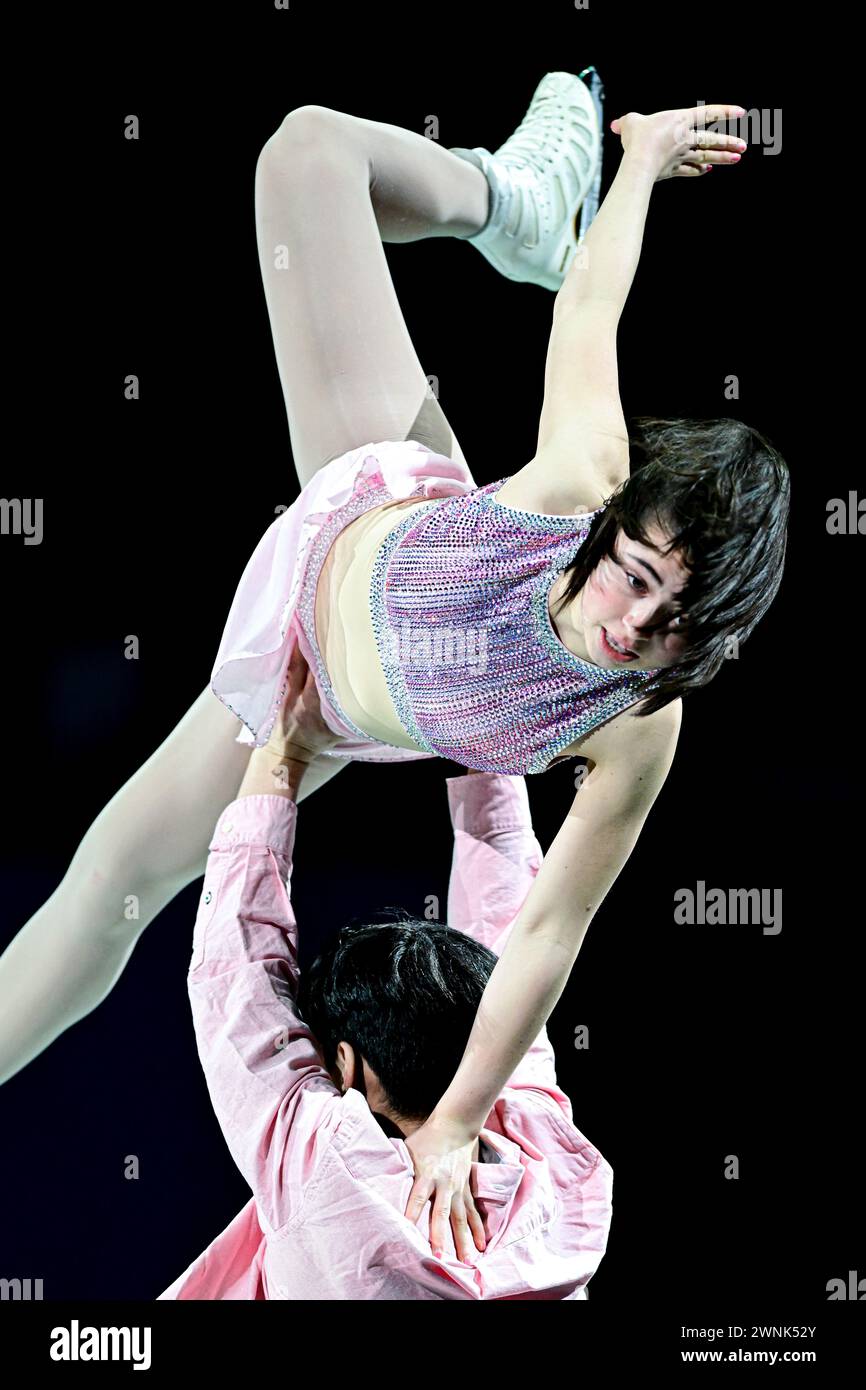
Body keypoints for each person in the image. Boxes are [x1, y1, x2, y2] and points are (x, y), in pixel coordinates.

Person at [0, 71, 787, 1244]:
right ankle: (512, 197)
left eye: (675, 623)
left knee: (111, 885)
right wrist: (633, 165)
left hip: (304, 694)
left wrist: (460, 1118)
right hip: (376, 493)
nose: (633, 626)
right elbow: (590, 307)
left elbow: (544, 934)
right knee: (306, 151)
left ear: (710, 642)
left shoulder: (637, 726)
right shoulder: (579, 479)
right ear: (616, 527)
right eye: (634, 575)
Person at [158, 644, 614, 1300]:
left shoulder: (327, 1168)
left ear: (348, 1065)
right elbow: (512, 927)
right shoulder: (545, 1161)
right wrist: (475, 721)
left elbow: (239, 974)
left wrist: (284, 747)